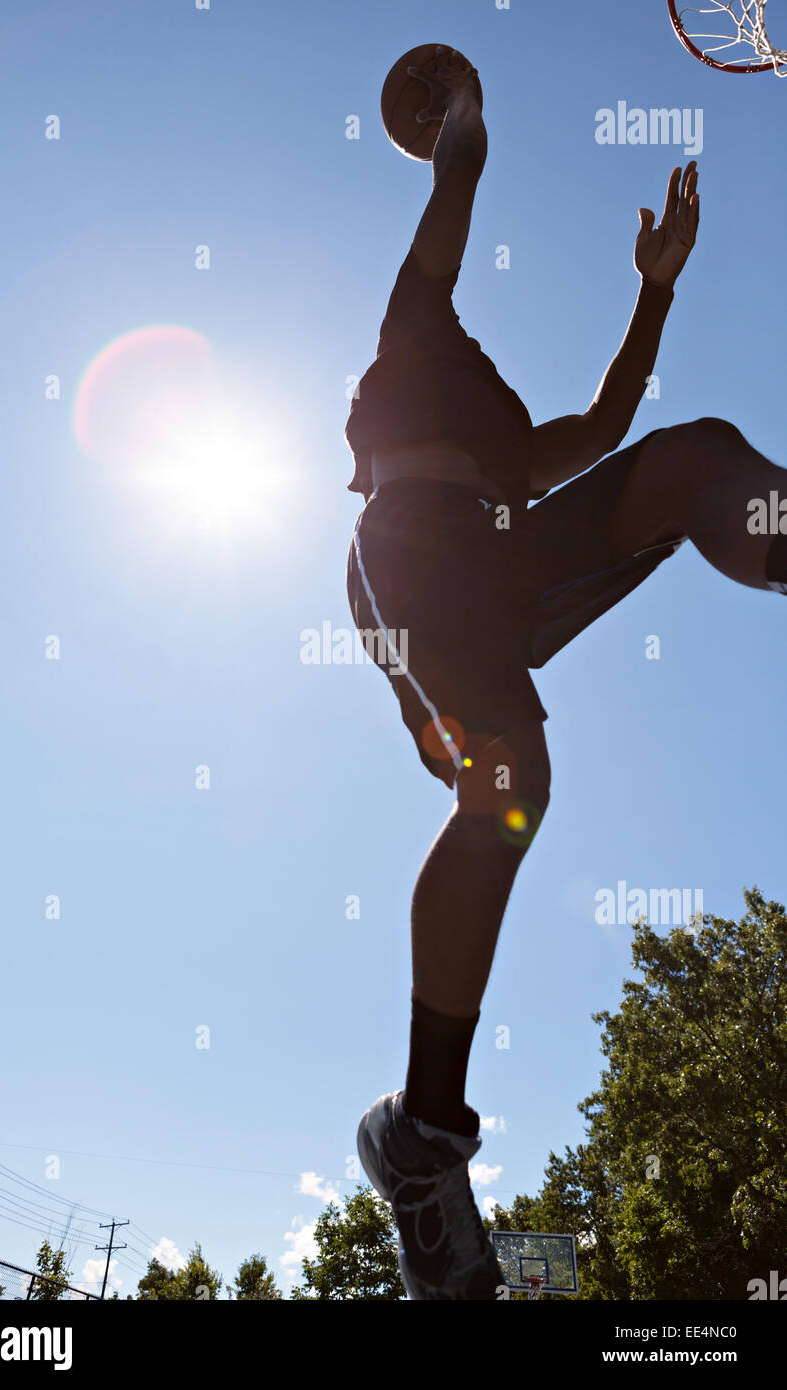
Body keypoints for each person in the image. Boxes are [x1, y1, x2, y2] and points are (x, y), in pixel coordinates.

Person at [343, 47, 786, 1301]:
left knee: (691, 456)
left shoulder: (497, 425)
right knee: (510, 779)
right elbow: (458, 194)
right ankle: (420, 1139)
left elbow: (595, 430)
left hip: (501, 550)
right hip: (412, 556)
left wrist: (652, 292)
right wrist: (461, 118)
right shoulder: (410, 327)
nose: (476, 364)